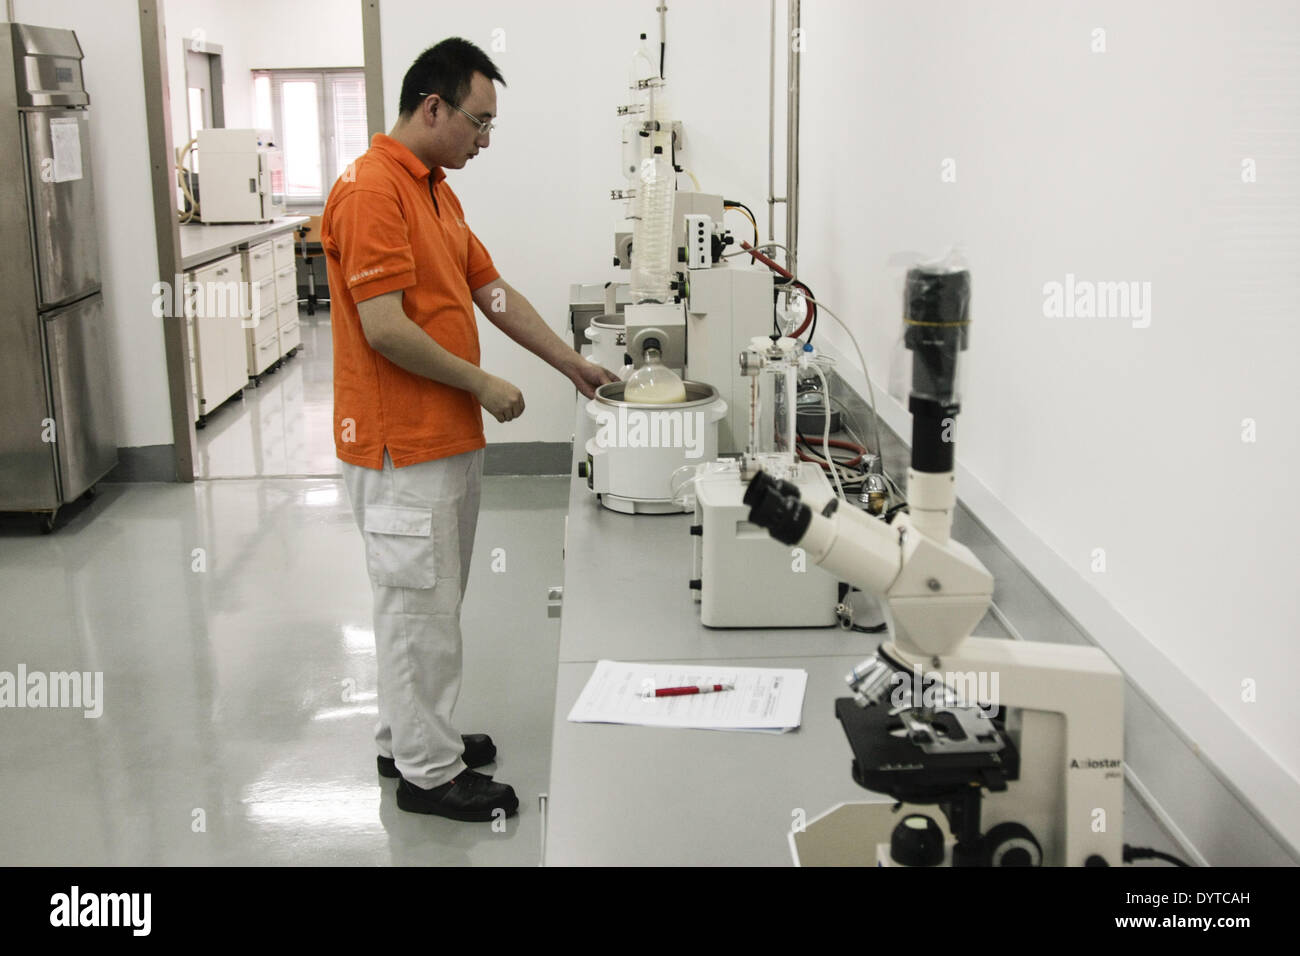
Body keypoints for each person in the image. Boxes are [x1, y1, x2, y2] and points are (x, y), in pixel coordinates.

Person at [321, 37, 617, 822]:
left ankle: (406, 736)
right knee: (418, 606)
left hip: (441, 435)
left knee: (426, 601)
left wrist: (570, 364)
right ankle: (428, 775)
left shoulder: (435, 191)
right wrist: (483, 383)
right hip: (400, 442)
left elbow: (490, 290)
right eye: (479, 124)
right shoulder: (371, 190)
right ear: (433, 108)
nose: (484, 141)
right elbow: (383, 327)